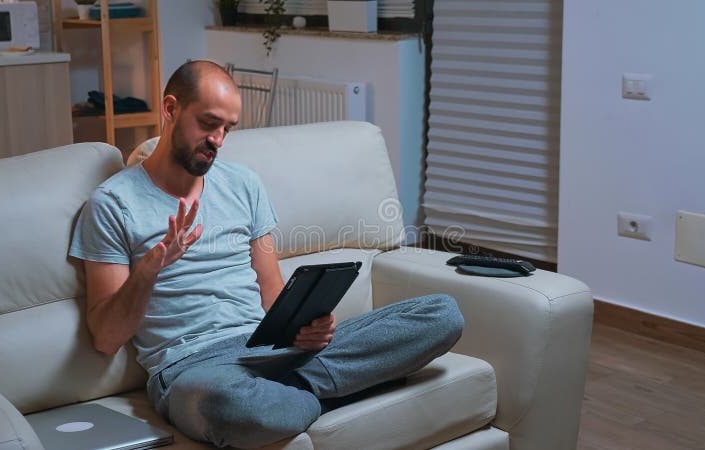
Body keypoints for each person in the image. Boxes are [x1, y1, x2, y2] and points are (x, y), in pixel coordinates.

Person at [70, 60, 464, 449]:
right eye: (208, 124)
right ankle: (343, 385)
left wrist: (307, 326)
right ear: (170, 109)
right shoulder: (111, 204)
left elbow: (272, 293)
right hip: (193, 371)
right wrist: (148, 271)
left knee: (441, 314)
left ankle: (294, 395)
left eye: (227, 129)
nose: (218, 140)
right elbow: (106, 338)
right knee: (230, 405)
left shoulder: (243, 184)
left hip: (270, 350)